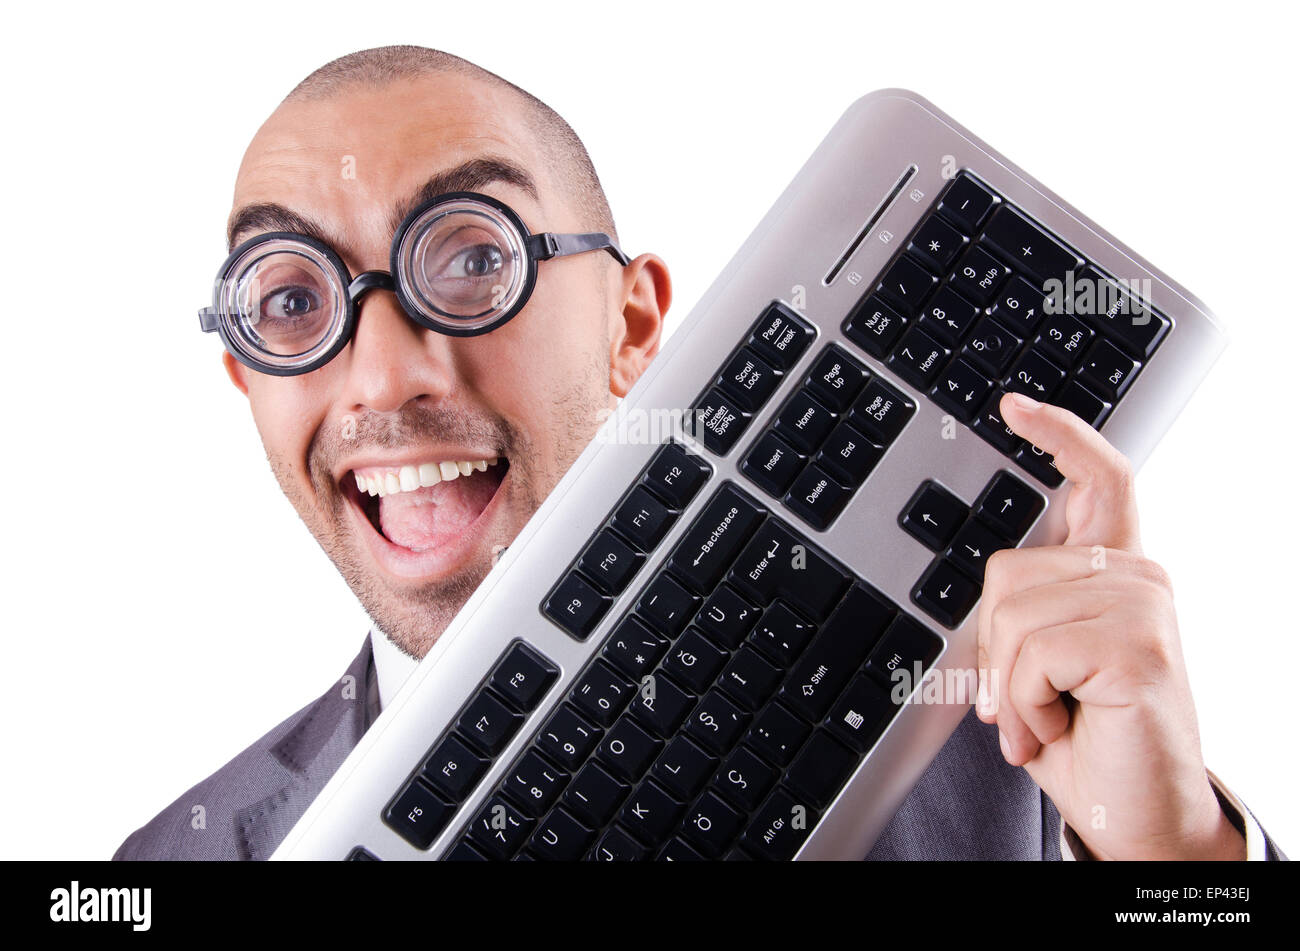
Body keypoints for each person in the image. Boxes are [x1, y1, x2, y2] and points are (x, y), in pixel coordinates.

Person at [114, 45, 1282, 861]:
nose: (382, 377)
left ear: (630, 326)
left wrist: (1175, 853)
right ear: (244, 377)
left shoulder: (994, 725)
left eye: (472, 259)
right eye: (286, 302)